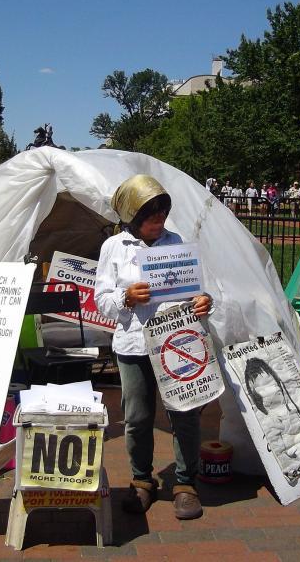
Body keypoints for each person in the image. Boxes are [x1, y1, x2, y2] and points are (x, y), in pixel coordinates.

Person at [94, 175, 213, 521]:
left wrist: (204, 301)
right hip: (133, 345)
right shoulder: (113, 248)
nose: (158, 222)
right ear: (133, 216)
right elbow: (102, 301)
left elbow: (196, 293)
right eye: (150, 216)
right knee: (137, 417)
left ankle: (185, 483)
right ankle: (142, 481)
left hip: (175, 343)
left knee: (185, 415)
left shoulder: (177, 244)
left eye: (162, 214)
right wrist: (125, 297)